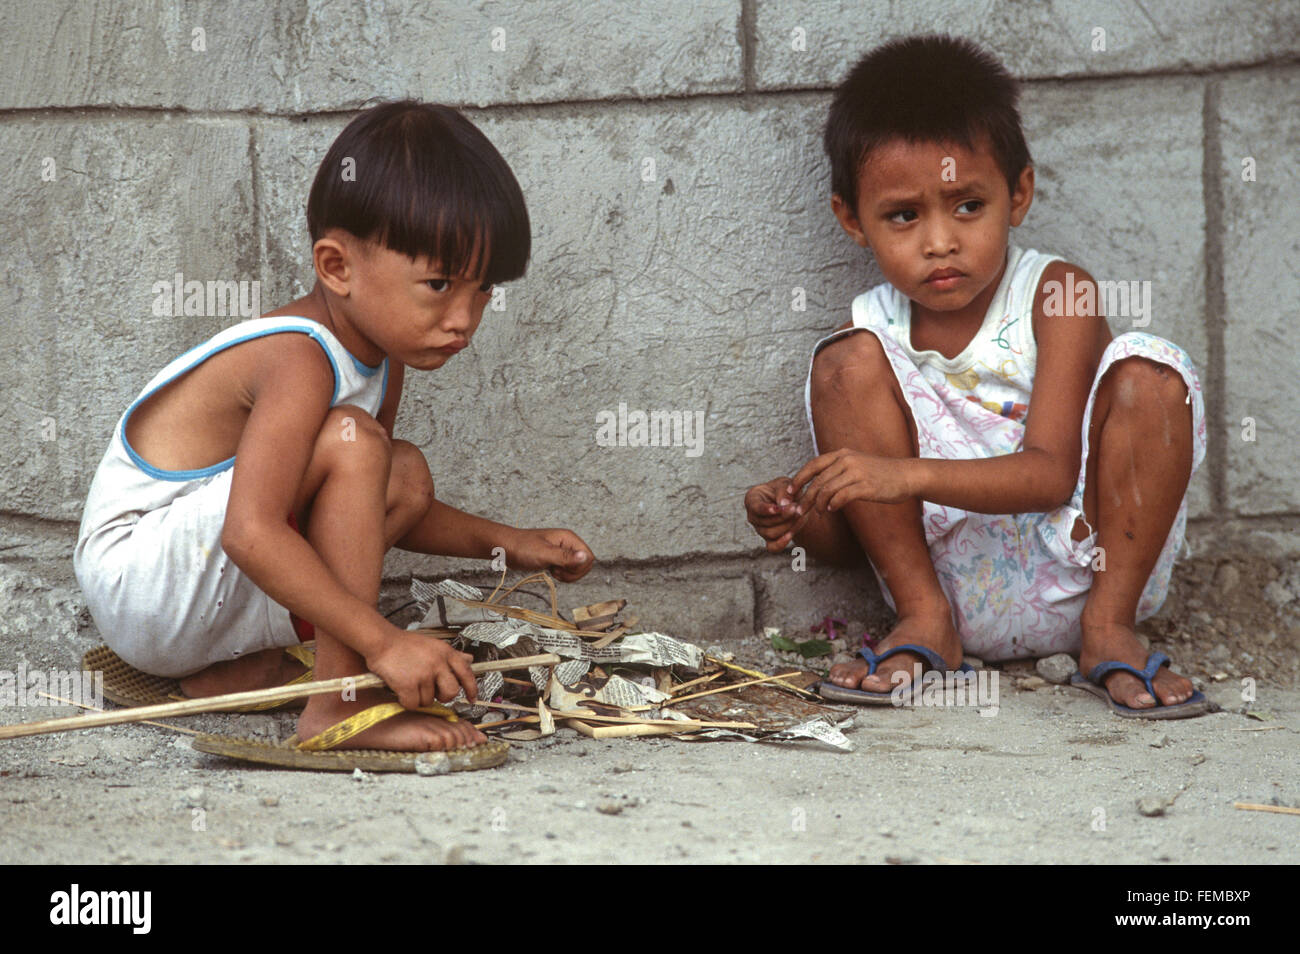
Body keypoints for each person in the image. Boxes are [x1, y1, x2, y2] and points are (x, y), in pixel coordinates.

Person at [74, 100, 596, 752]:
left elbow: (364, 498)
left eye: (483, 290)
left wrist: (510, 542)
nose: (464, 318)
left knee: (398, 468)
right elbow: (250, 531)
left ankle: (235, 674)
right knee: (353, 441)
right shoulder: (299, 356)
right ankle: (337, 704)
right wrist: (384, 643)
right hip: (143, 583)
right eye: (439, 284)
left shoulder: (381, 357)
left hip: (200, 595)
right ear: (337, 267)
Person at [744, 35, 1208, 716]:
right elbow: (846, 546)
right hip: (953, 595)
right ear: (852, 219)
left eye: (967, 205)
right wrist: (802, 511)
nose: (940, 241)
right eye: (904, 215)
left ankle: (1111, 633)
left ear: (1018, 193)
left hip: (1089, 575)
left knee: (1153, 374)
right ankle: (924, 620)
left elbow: (1050, 474)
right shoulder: (872, 339)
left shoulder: (1058, 294)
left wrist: (899, 474)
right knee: (842, 361)